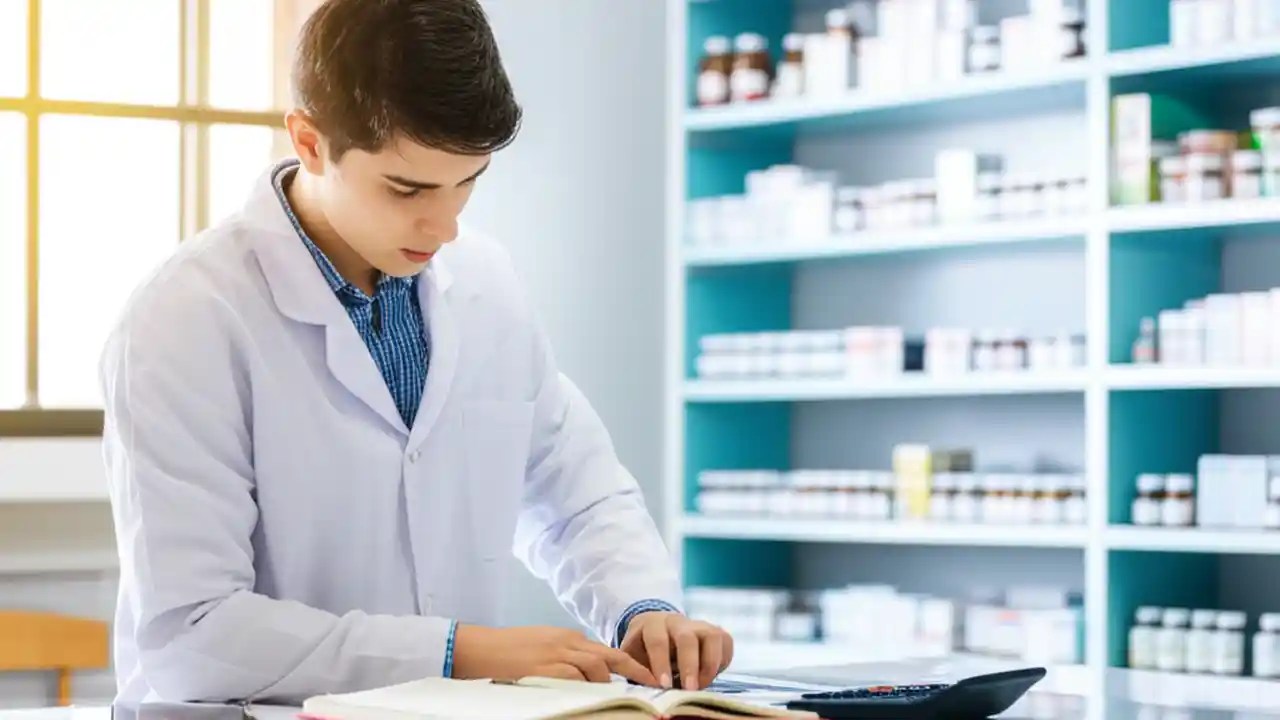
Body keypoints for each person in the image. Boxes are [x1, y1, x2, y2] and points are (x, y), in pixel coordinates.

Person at [100, 0, 732, 705]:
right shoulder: (185, 318)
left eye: (468, 183)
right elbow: (193, 635)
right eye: (408, 188)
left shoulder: (486, 286)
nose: (445, 225)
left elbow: (571, 487)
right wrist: (458, 652)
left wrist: (641, 607)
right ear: (309, 143)